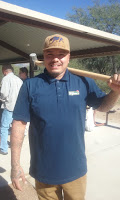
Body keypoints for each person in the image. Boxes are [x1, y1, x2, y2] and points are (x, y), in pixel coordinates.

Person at [11, 34, 120, 199]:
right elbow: (18, 124)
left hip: (75, 170)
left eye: (60, 54)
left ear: (69, 57)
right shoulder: (30, 85)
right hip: (44, 171)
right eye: (50, 54)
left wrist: (115, 92)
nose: (55, 59)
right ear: (44, 57)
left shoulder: (84, 82)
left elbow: (103, 106)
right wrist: (15, 165)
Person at [0, 64, 22, 155]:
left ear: (5, 70)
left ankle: (3, 148)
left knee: (4, 128)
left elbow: (4, 93)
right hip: (18, 108)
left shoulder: (6, 79)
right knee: (14, 128)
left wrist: (1, 99)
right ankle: (14, 146)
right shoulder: (19, 80)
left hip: (9, 107)